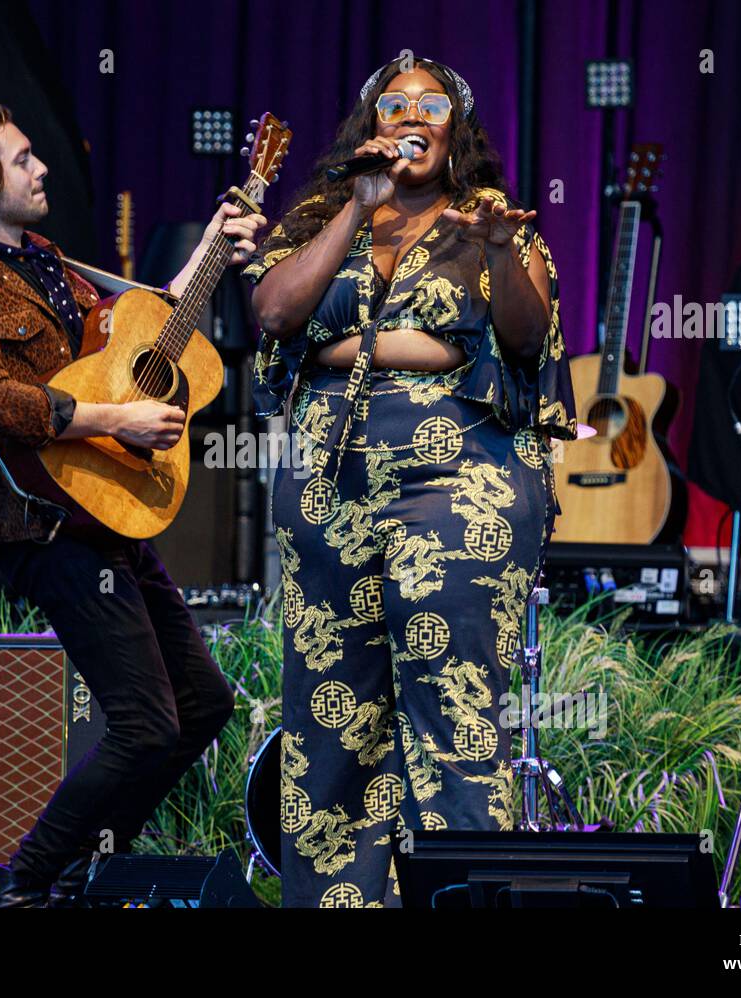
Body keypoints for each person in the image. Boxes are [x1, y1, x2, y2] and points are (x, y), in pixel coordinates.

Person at [0, 101, 264, 907]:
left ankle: (80, 874)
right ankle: (23, 883)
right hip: (46, 523)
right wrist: (114, 419)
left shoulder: (49, 261)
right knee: (145, 724)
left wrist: (210, 251)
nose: (42, 168)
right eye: (22, 158)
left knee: (203, 702)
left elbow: (138, 333)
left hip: (109, 511)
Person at [245, 57, 577, 908]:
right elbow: (278, 313)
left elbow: (525, 339)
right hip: (329, 487)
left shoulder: (492, 226)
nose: (413, 115)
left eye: (434, 105)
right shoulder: (324, 216)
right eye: (395, 104)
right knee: (330, 716)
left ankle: (463, 899)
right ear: (370, 125)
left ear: (458, 129)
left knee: (455, 712)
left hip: (461, 485)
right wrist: (357, 213)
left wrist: (498, 257)